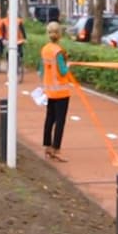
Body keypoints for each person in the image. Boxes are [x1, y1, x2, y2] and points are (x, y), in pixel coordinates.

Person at [39, 22, 71, 161]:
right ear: (59, 34)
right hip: (61, 91)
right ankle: (56, 148)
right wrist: (69, 64)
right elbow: (63, 71)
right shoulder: (58, 52)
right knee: (60, 121)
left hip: (49, 90)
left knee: (49, 118)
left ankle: (47, 146)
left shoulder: (45, 49)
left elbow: (41, 70)